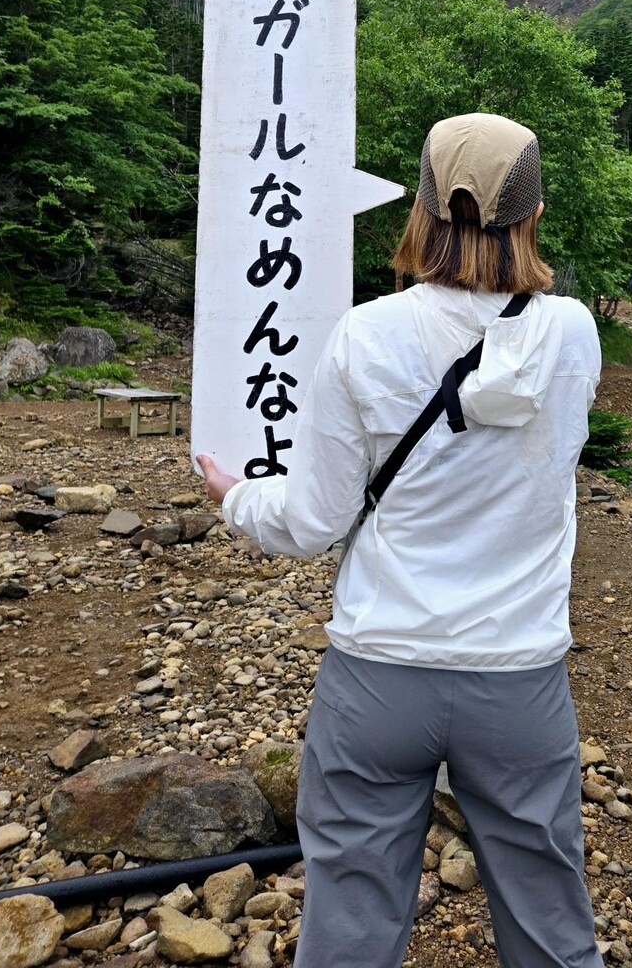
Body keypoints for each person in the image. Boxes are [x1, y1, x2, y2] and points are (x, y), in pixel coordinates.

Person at [197, 112, 604, 968]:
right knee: (551, 924)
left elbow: (311, 523)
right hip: (520, 680)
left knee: (348, 923)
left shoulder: (366, 335)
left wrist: (237, 499)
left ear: (419, 209)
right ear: (531, 214)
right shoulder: (573, 333)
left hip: (378, 674)